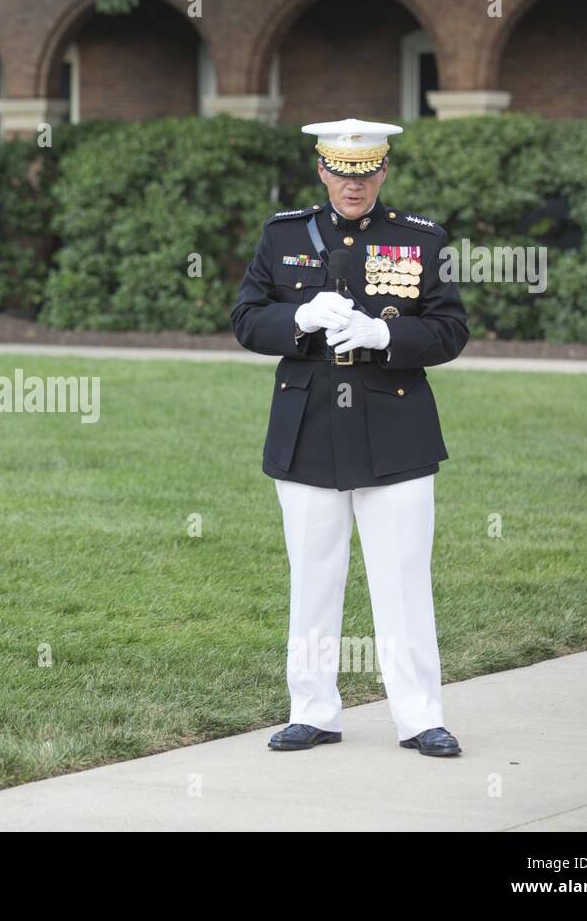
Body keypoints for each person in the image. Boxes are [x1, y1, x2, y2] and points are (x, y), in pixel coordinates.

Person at [230, 118, 468, 757]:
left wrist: (387, 336)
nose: (352, 184)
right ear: (321, 170)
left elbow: (449, 330)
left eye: (364, 173)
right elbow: (247, 319)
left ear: (383, 171)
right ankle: (312, 709)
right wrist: (299, 320)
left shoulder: (420, 240)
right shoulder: (283, 235)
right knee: (313, 577)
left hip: (394, 425)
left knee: (402, 579)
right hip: (308, 426)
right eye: (340, 171)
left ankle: (419, 717)